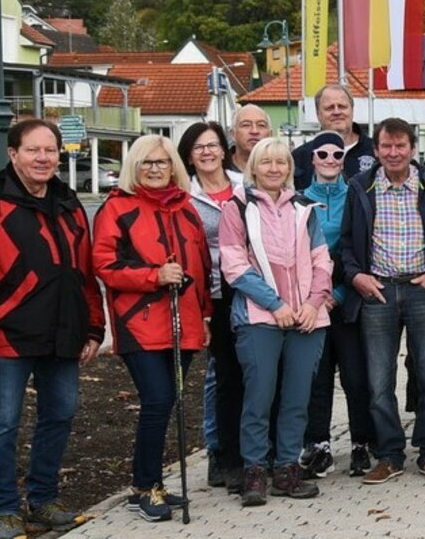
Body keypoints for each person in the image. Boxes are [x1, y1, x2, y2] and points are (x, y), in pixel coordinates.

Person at [0, 120, 102, 539]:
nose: (43, 158)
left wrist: (93, 326)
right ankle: (3, 511)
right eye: (33, 150)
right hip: (6, 337)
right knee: (2, 423)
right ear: (13, 154)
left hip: (64, 335)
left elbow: (83, 274)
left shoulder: (69, 202)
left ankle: (43, 499)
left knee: (61, 416)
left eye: (50, 151)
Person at [94, 134, 212, 520]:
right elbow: (105, 265)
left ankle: (148, 485)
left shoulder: (186, 209)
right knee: (157, 400)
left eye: (162, 163)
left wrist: (205, 314)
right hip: (140, 325)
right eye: (148, 163)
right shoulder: (118, 208)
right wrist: (153, 276)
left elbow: (203, 266)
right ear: (135, 167)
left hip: (185, 325)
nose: (156, 169)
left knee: (168, 403)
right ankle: (145, 485)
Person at [343, 117, 425, 484]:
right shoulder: (360, 186)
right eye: (386, 146)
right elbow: (346, 242)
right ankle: (389, 454)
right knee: (378, 381)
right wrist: (356, 276)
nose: (393, 153)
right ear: (376, 150)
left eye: (400, 146)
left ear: (412, 148)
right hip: (377, 291)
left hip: (423, 289)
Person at [220, 138, 332, 505]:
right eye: (265, 162)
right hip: (259, 317)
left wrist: (314, 304)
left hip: (307, 319)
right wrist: (277, 303)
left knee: (297, 398)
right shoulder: (237, 208)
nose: (273, 169)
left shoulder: (305, 208)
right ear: (254, 167)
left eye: (280, 162)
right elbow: (235, 267)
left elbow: (322, 262)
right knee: (259, 396)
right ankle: (255, 472)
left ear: (289, 167)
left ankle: (287, 469)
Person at [297, 133, 375, 479]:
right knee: (317, 377)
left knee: (356, 377)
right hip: (312, 304)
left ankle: (361, 443)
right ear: (312, 159)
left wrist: (336, 295)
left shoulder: (356, 196)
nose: (330, 159)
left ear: (344, 159)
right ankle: (318, 444)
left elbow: (357, 249)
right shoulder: (298, 201)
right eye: (322, 153)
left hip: (346, 300)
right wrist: (316, 298)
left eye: (337, 153)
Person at [180, 122, 247, 490]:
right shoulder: (183, 195)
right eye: (198, 147)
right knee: (227, 378)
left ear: (225, 149)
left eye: (212, 145)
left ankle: (256, 454)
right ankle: (225, 457)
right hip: (214, 294)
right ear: (189, 155)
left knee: (256, 375)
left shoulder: (244, 186)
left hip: (251, 290)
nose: (207, 152)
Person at [294, 86, 377, 187]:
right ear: (318, 114)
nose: (337, 112)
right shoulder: (299, 158)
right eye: (329, 108)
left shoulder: (377, 152)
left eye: (342, 106)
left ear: (352, 110)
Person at [229, 105, 272, 172]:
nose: (254, 131)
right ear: (233, 134)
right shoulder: (219, 169)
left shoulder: (280, 170)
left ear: (270, 134)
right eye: (246, 125)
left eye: (261, 125)